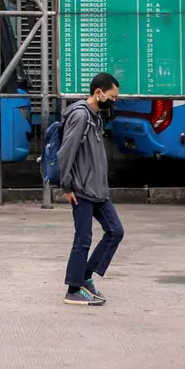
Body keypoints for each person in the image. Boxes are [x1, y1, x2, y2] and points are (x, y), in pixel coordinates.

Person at [58, 72, 124, 307]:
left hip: (98, 190)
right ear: (98, 92)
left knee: (115, 231)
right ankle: (73, 290)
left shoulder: (95, 117)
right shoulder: (80, 116)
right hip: (82, 188)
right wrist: (66, 185)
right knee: (83, 239)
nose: (113, 101)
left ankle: (84, 277)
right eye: (112, 97)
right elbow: (66, 152)